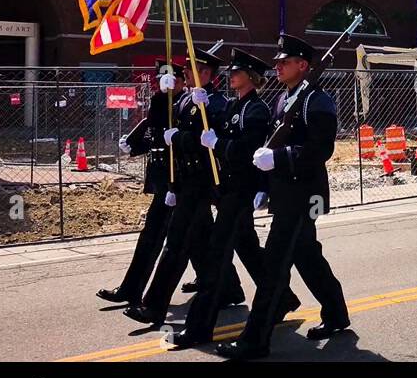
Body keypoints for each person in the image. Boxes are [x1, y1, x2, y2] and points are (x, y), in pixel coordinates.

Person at [216, 35, 349, 360]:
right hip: (284, 192)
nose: (277, 66)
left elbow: (321, 149)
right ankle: (336, 314)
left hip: (304, 195)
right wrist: (265, 183)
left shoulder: (317, 101)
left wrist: (280, 158)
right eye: (277, 61)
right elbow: (270, 145)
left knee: (275, 265)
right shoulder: (283, 100)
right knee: (306, 256)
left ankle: (254, 342)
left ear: (303, 65)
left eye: (284, 61)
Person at [171, 49, 300, 348]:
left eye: (237, 72)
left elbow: (247, 151)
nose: (231, 76)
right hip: (228, 189)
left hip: (241, 191)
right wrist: (198, 102)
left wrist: (220, 145)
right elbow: (214, 129)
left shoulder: (256, 110)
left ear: (251, 78)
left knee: (217, 256)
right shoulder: (232, 106)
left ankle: (199, 327)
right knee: (248, 247)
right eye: (231, 72)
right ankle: (282, 297)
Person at [124, 49, 244, 326]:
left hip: (203, 182)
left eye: (190, 70)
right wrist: (163, 96)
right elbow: (159, 125)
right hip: (185, 181)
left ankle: (153, 306)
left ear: (205, 74)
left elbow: (209, 142)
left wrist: (185, 133)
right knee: (200, 242)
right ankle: (230, 290)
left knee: (176, 244)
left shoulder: (215, 103)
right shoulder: (186, 99)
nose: (184, 73)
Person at [97, 61, 185, 304]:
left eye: (171, 79)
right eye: (161, 80)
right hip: (163, 178)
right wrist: (134, 145)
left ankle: (133, 290)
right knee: (197, 240)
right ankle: (228, 286)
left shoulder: (187, 103)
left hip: (179, 180)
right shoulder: (162, 102)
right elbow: (154, 127)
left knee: (156, 235)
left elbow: (175, 134)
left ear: (182, 80)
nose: (165, 83)